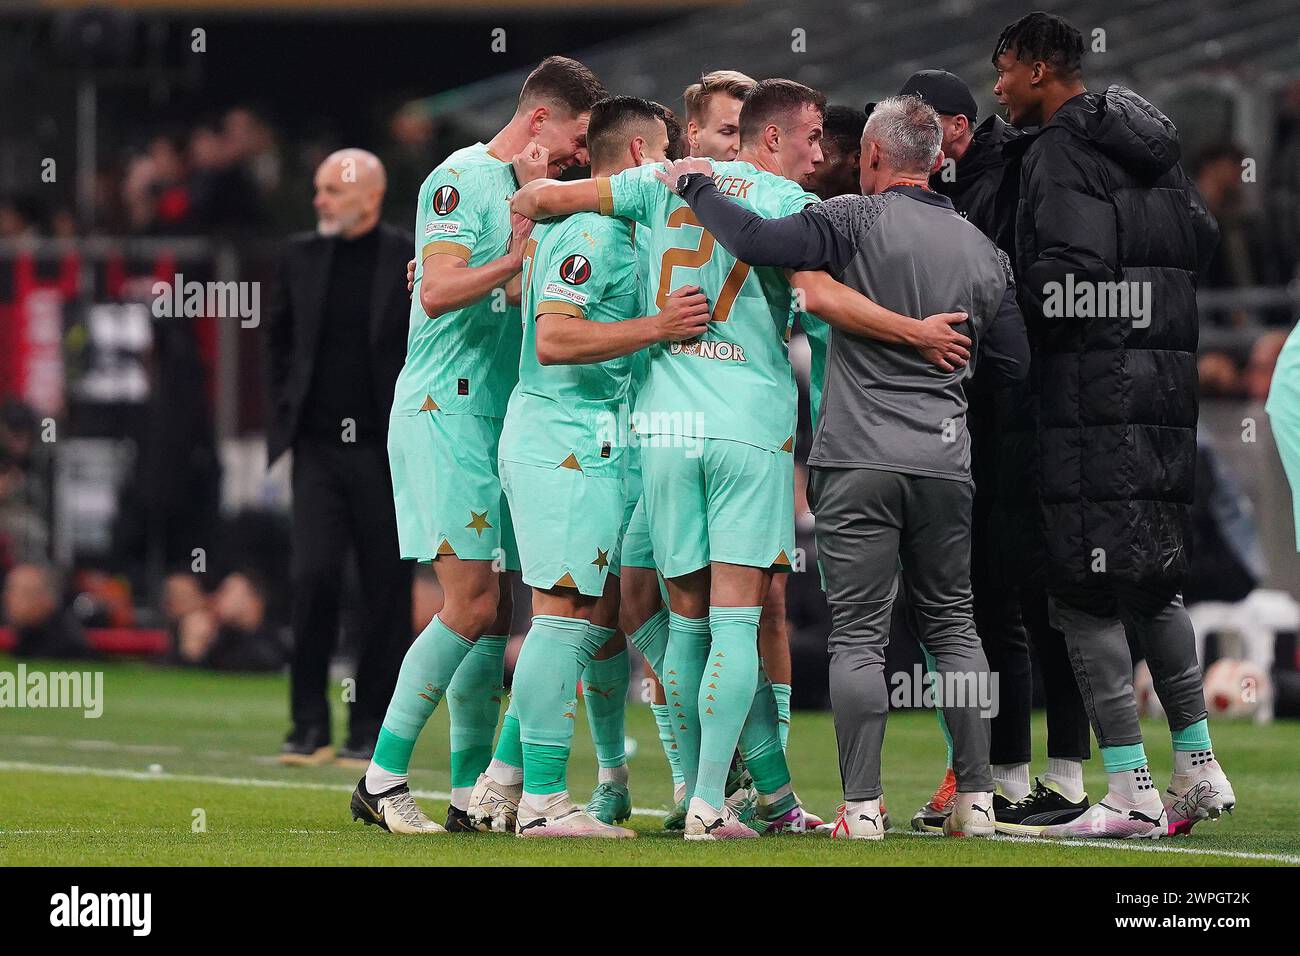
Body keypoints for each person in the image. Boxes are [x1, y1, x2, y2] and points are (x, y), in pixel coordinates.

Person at [511, 78, 971, 838]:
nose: (821, 153)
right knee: (735, 621)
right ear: (771, 139)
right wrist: (917, 331)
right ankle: (707, 808)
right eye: (812, 137)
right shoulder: (793, 208)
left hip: (661, 427)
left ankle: (701, 787)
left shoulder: (655, 182)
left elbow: (544, 205)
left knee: (683, 626)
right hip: (746, 427)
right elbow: (821, 301)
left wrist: (529, 198)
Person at [661, 92, 1029, 840]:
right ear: (934, 162)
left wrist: (695, 184)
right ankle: (979, 803)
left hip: (858, 457)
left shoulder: (851, 219)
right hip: (944, 462)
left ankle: (860, 808)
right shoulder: (983, 248)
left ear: (871, 158)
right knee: (955, 629)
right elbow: (1013, 364)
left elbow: (759, 241)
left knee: (860, 635)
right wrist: (944, 386)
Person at [352, 56, 606, 836]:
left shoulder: (538, 197)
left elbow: (509, 292)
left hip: (498, 419)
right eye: (577, 135)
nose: (579, 154)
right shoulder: (457, 178)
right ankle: (382, 778)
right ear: (541, 119)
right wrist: (511, 260)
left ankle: (469, 794)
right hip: (446, 413)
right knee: (469, 606)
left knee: (493, 616)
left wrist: (516, 264)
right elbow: (435, 289)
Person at [993, 10, 1231, 838]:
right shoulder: (1152, 144)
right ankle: (1198, 765)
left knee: (1081, 589)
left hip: (1093, 398)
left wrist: (999, 299)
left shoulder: (1061, 147)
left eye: (1005, 68)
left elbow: (1073, 277)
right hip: (1162, 393)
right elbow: (1199, 242)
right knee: (1152, 581)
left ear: (1037, 68)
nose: (997, 87)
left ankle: (1129, 787)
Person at [883, 69, 1093, 834]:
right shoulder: (930, 189)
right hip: (960, 414)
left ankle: (1065, 772)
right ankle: (996, 776)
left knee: (1044, 597)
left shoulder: (1028, 168)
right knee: (980, 601)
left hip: (1024, 411)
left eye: (937, 130)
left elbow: (1038, 288)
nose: (930, 146)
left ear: (960, 130)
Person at [500, 95, 710, 838]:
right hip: (560, 443)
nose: (669, 166)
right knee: (561, 617)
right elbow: (556, 337)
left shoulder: (613, 228)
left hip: (590, 443)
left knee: (590, 613)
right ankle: (541, 802)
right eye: (663, 153)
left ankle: (515, 787)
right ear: (637, 158)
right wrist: (658, 327)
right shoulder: (591, 230)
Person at [266, 149, 414, 768]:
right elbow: (278, 341)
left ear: (369, 196)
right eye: (318, 188)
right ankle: (307, 725)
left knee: (385, 589)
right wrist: (288, 412)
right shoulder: (298, 256)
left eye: (331, 190)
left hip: (385, 450)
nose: (319, 200)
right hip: (320, 450)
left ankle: (370, 728)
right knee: (312, 577)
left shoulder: (407, 254)